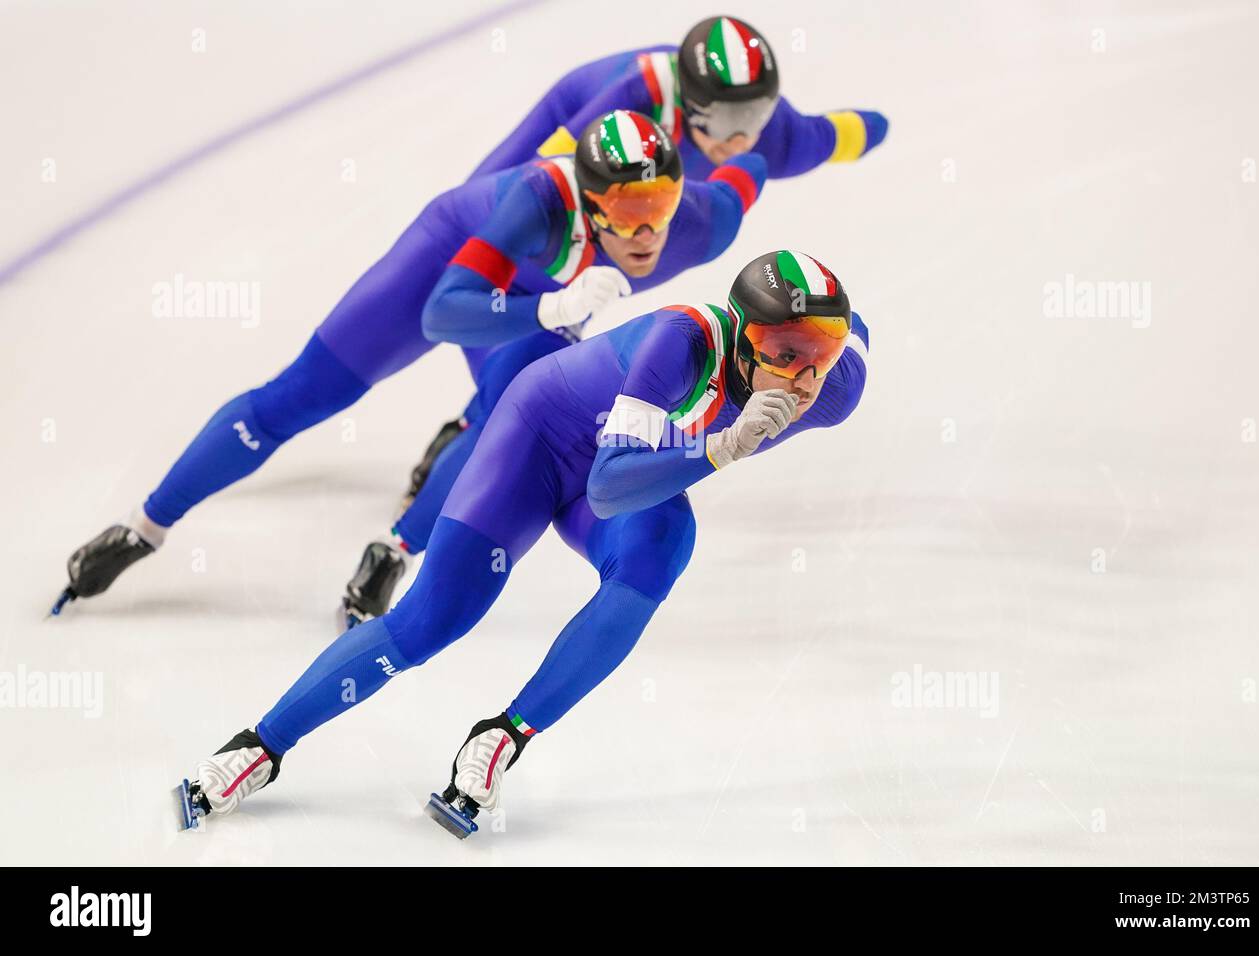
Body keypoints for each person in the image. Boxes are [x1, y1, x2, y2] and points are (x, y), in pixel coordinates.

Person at [175, 249, 869, 838]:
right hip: (539, 442)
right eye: (788, 356)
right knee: (429, 623)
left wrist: (752, 416)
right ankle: (259, 747)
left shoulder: (835, 390)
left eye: (821, 356)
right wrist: (721, 449)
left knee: (662, 546)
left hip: (628, 466)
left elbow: (853, 338)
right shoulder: (678, 342)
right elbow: (608, 487)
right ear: (745, 339)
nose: (807, 377)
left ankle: (503, 735)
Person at [55, 111, 765, 616]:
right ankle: (145, 526)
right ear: (587, 197)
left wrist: (766, 124)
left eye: (661, 206)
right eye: (627, 208)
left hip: (533, 301)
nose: (647, 230)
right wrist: (546, 311)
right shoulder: (539, 204)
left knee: (510, 418)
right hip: (447, 273)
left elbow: (764, 158)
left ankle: (394, 549)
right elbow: (443, 311)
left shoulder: (699, 220)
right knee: (301, 395)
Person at [351, 14, 889, 624]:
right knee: (510, 395)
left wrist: (869, 131)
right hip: (532, 240)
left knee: (514, 397)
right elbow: (543, 180)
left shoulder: (715, 207)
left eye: (755, 123)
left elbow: (812, 142)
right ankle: (401, 539)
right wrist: (532, 279)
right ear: (693, 106)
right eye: (729, 125)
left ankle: (453, 451)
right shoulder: (623, 105)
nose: (740, 139)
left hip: (566, 295)